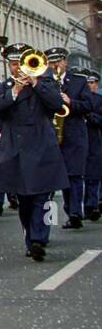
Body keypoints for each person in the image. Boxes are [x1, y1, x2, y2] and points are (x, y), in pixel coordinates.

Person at [0, 45, 69, 261]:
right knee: (24, 199)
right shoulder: (3, 88)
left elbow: (56, 103)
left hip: (42, 146)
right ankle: (30, 238)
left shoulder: (45, 84)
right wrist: (15, 91)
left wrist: (35, 83)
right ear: (10, 66)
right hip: (16, 149)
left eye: (21, 64)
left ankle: (39, 239)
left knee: (43, 197)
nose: (19, 68)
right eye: (15, 64)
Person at [44, 47, 89, 230]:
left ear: (65, 62)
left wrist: (71, 102)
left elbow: (88, 105)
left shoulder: (78, 82)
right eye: (52, 62)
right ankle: (50, 220)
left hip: (73, 136)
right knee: (51, 180)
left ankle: (75, 213)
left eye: (58, 61)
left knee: (74, 177)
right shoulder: (44, 83)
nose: (55, 65)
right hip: (50, 136)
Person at [84, 72, 102, 221]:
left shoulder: (99, 100)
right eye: (88, 83)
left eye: (93, 82)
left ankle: (92, 204)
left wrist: (90, 116)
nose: (91, 85)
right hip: (76, 139)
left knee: (93, 175)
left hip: (94, 139)